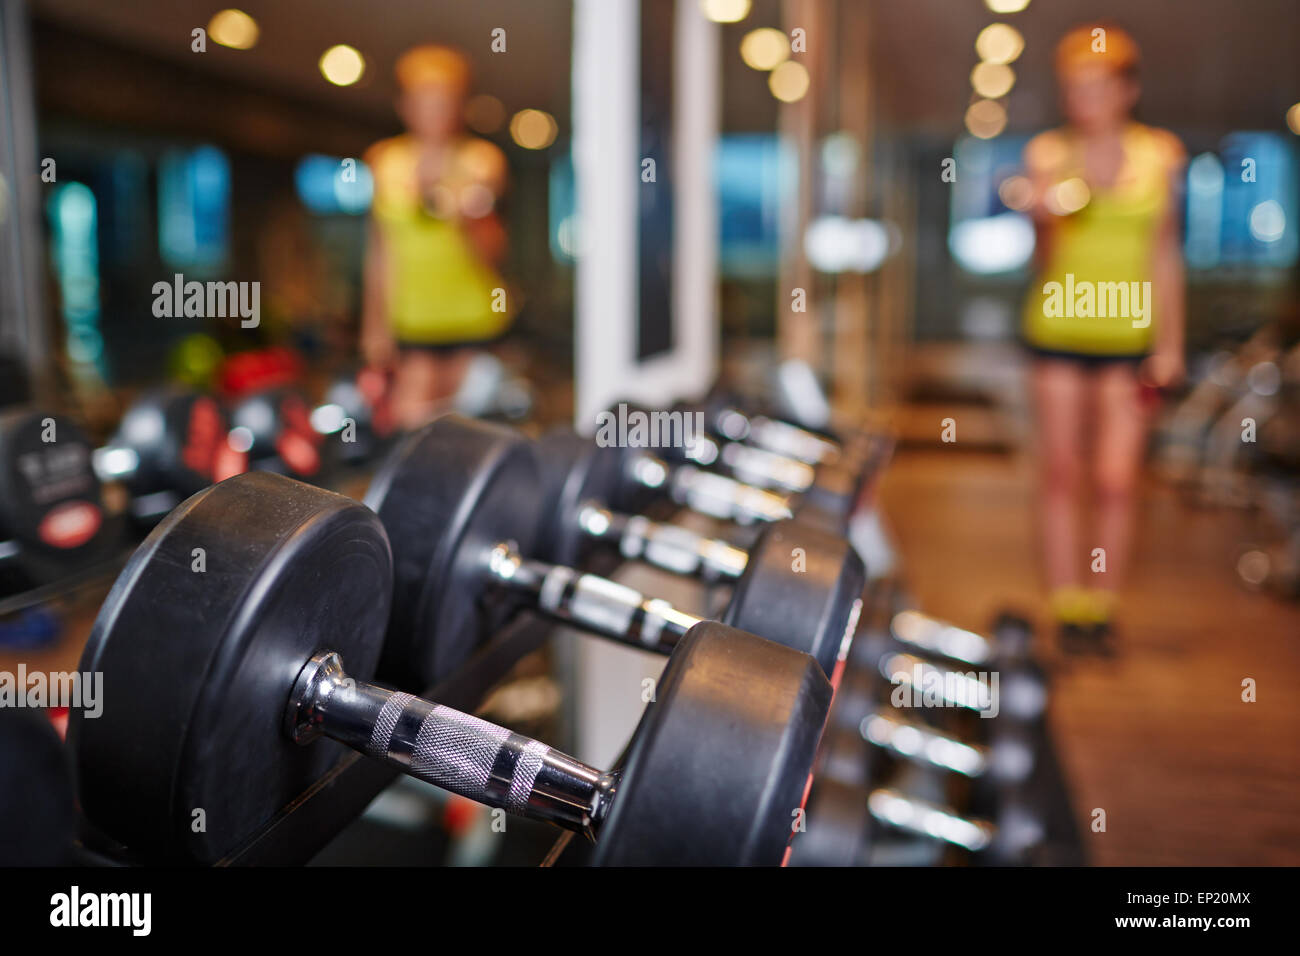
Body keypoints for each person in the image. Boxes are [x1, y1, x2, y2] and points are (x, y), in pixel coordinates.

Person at [1020, 23, 1186, 650]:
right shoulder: (1046, 157)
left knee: (1117, 480)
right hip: (1057, 329)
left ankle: (1102, 605)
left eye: (1095, 87)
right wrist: (1043, 219)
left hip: (1128, 338)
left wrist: (1170, 344)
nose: (1082, 100)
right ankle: (1067, 606)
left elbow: (1166, 256)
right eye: (1072, 88)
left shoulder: (1161, 155)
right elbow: (1043, 261)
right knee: (1062, 472)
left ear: (1126, 90)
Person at [361, 45, 512, 428]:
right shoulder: (384, 160)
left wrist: (465, 214)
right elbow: (381, 250)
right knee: (410, 422)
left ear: (460, 105)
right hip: (413, 320)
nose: (434, 111)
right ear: (405, 104)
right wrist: (375, 326)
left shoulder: (482, 161)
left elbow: (495, 251)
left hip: (474, 318)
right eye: (424, 100)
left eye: (444, 100)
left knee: (470, 428)